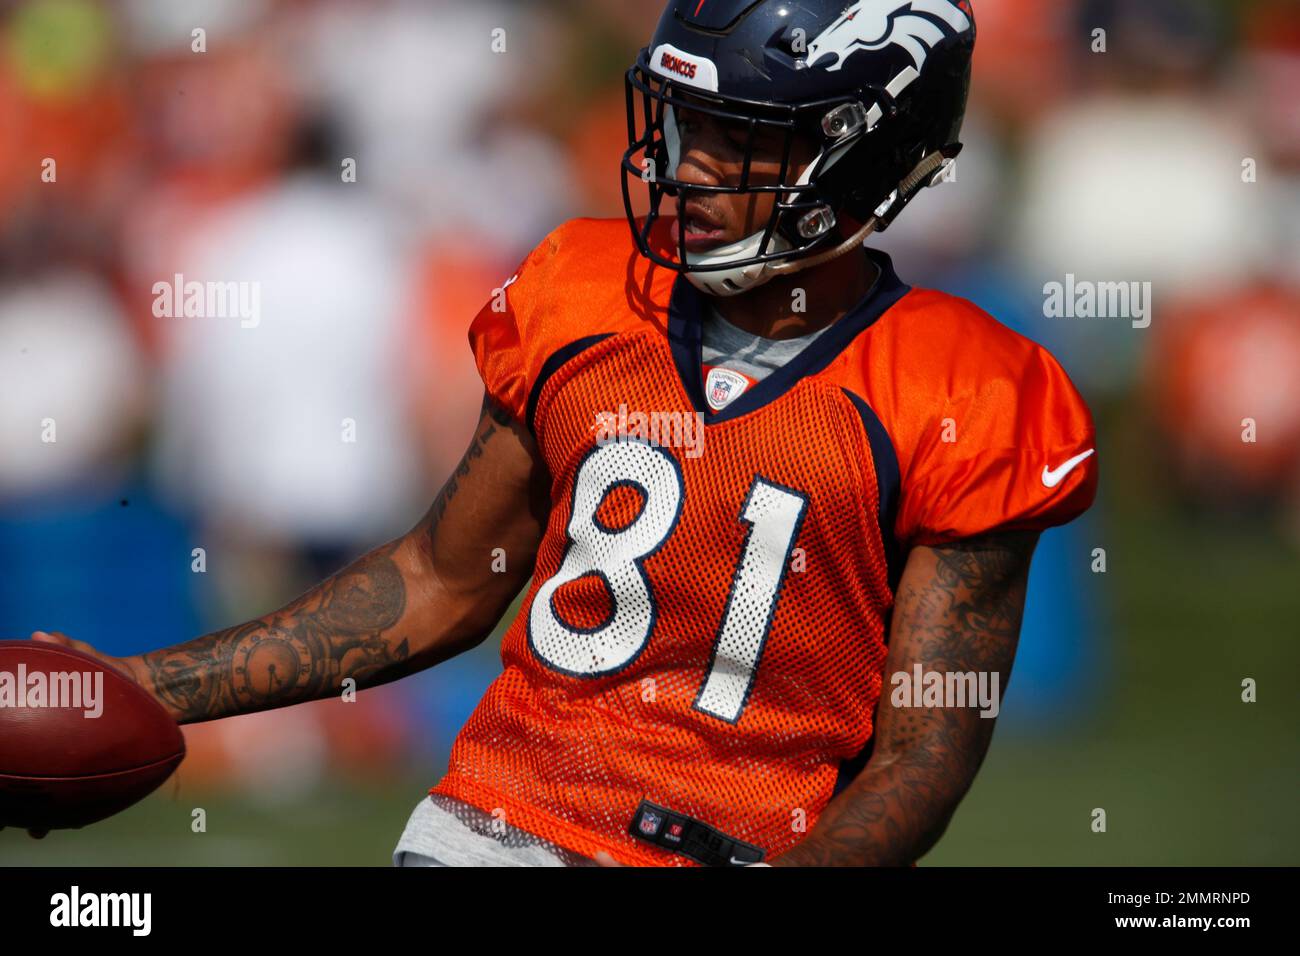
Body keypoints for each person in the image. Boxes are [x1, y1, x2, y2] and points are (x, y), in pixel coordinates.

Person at [20, 0, 1097, 866]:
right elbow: (442, 580)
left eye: (743, 138)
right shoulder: (584, 291)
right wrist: (150, 682)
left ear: (866, 156)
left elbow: (923, 751)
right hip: (495, 829)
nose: (692, 167)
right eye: (686, 124)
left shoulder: (970, 388)